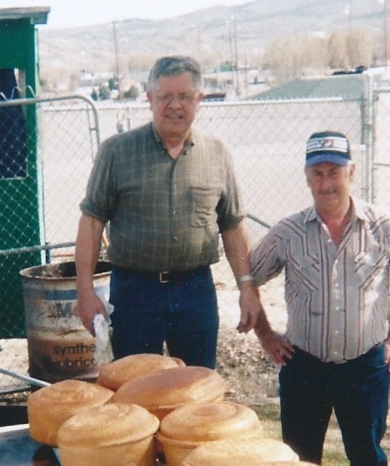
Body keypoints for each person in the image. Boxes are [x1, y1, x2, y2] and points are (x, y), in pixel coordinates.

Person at [243, 130, 390, 466]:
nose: (326, 183)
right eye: (317, 174)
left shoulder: (384, 226)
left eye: (335, 172)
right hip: (304, 367)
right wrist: (265, 334)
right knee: (298, 462)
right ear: (307, 177)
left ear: (352, 172)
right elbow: (249, 279)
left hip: (363, 367)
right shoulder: (288, 233)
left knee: (367, 460)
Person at [74, 55, 260, 368]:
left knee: (196, 391)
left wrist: (246, 287)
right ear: (149, 99)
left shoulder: (217, 154)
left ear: (199, 100)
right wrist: (84, 291)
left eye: (185, 96)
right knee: (134, 391)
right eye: (165, 96)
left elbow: (232, 225)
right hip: (134, 293)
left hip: (195, 292)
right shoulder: (117, 152)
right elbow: (92, 222)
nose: (175, 105)